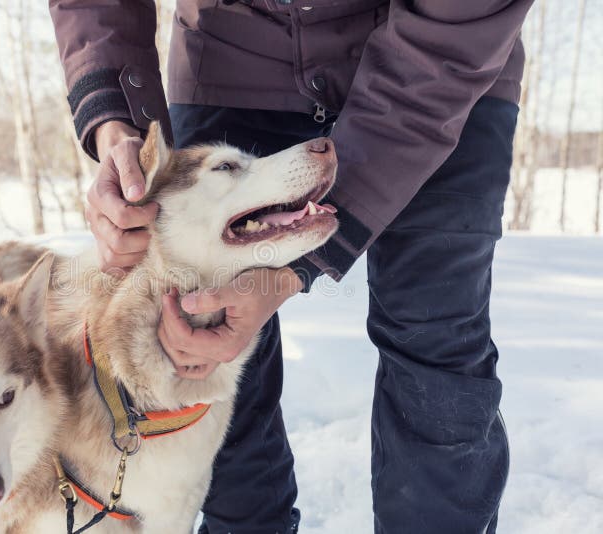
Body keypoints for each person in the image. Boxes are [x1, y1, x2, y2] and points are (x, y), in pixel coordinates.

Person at [49, 1, 534, 532]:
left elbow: (449, 36)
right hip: (235, 58)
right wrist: (117, 128)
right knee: (199, 340)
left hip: (441, 73)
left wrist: (290, 266)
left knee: (435, 342)